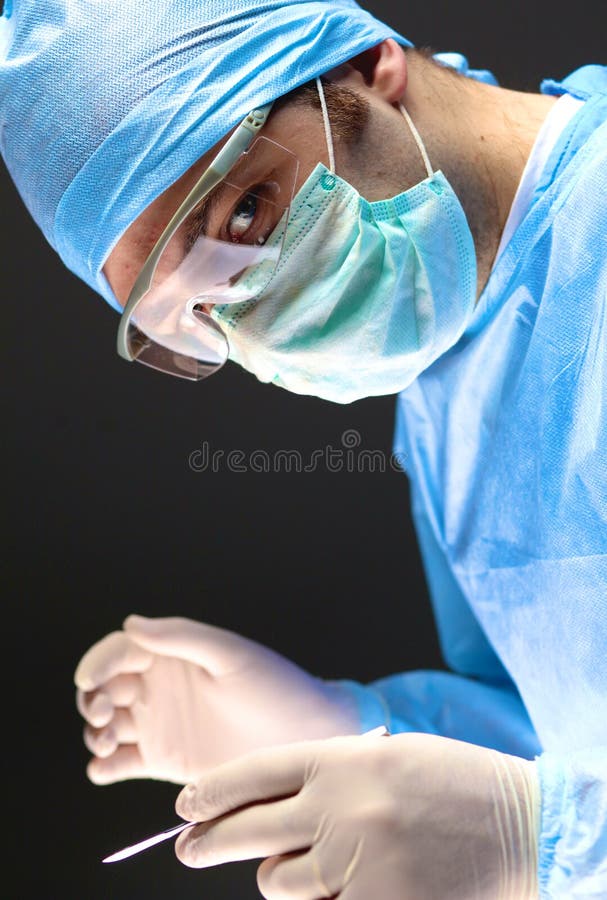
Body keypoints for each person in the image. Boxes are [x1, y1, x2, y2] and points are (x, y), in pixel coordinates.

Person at [2, 1, 605, 897]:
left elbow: (542, 817)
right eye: (200, 311)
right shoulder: (453, 397)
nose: (260, 313)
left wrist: (543, 843)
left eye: (247, 211)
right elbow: (564, 746)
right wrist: (350, 728)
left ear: (368, 63)